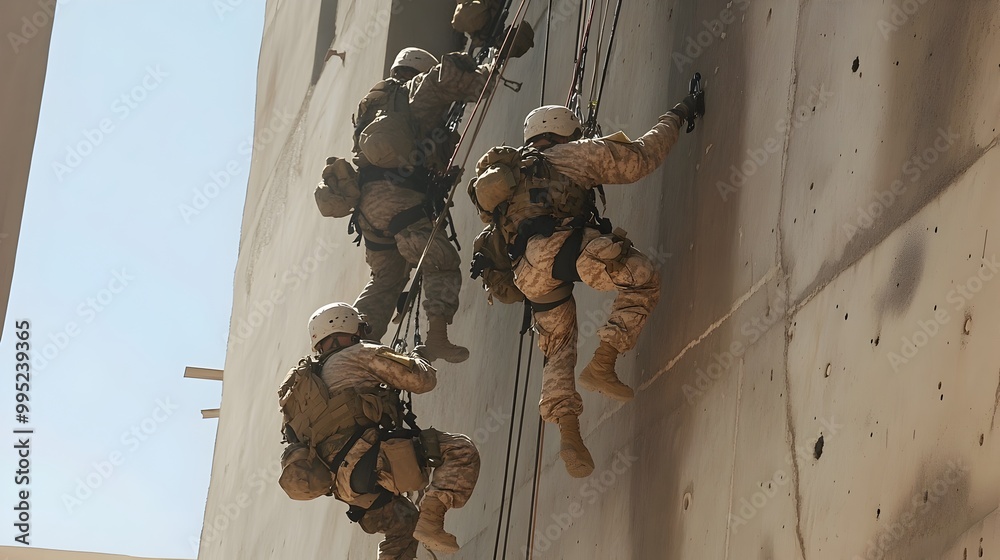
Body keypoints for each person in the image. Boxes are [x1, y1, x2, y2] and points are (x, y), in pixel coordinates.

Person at [468, 94, 705, 477]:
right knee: (641, 278)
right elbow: (640, 158)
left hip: (526, 275)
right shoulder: (570, 155)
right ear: (565, 133)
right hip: (559, 249)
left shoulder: (509, 182)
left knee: (557, 348)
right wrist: (678, 115)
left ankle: (569, 432)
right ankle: (604, 363)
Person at [350, 43, 527, 363]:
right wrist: (498, 57)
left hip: (367, 209)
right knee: (440, 261)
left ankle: (351, 346)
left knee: (384, 282)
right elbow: (475, 86)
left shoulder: (373, 105)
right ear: (420, 68)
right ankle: (436, 339)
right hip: (401, 202)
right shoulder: (421, 86)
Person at [279, 303, 481, 557]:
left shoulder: (302, 387)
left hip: (346, 488)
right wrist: (419, 358)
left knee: (404, 524)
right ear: (350, 327)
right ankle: (432, 519)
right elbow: (421, 380)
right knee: (460, 450)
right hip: (371, 460)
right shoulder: (357, 353)